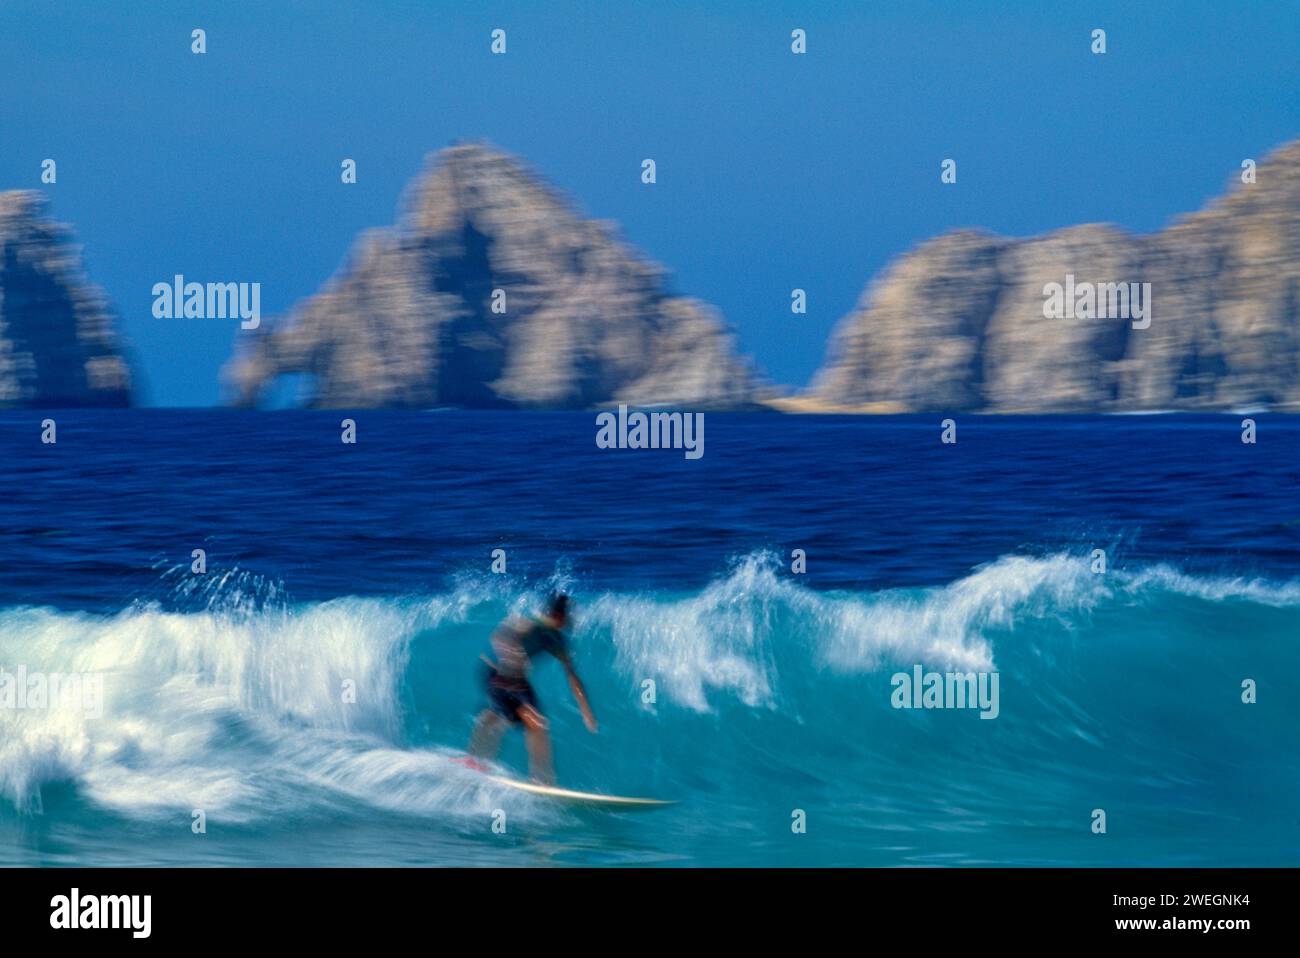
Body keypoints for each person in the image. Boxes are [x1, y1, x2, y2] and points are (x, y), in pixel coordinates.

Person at [467, 592, 597, 785]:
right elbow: (499, 635)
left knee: (538, 724)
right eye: (568, 615)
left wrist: (586, 710)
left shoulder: (557, 639)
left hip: (519, 682)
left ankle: (542, 780)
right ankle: (475, 762)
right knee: (502, 718)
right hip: (496, 675)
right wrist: (513, 654)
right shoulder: (530, 623)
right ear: (558, 614)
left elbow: (572, 674)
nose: (571, 620)